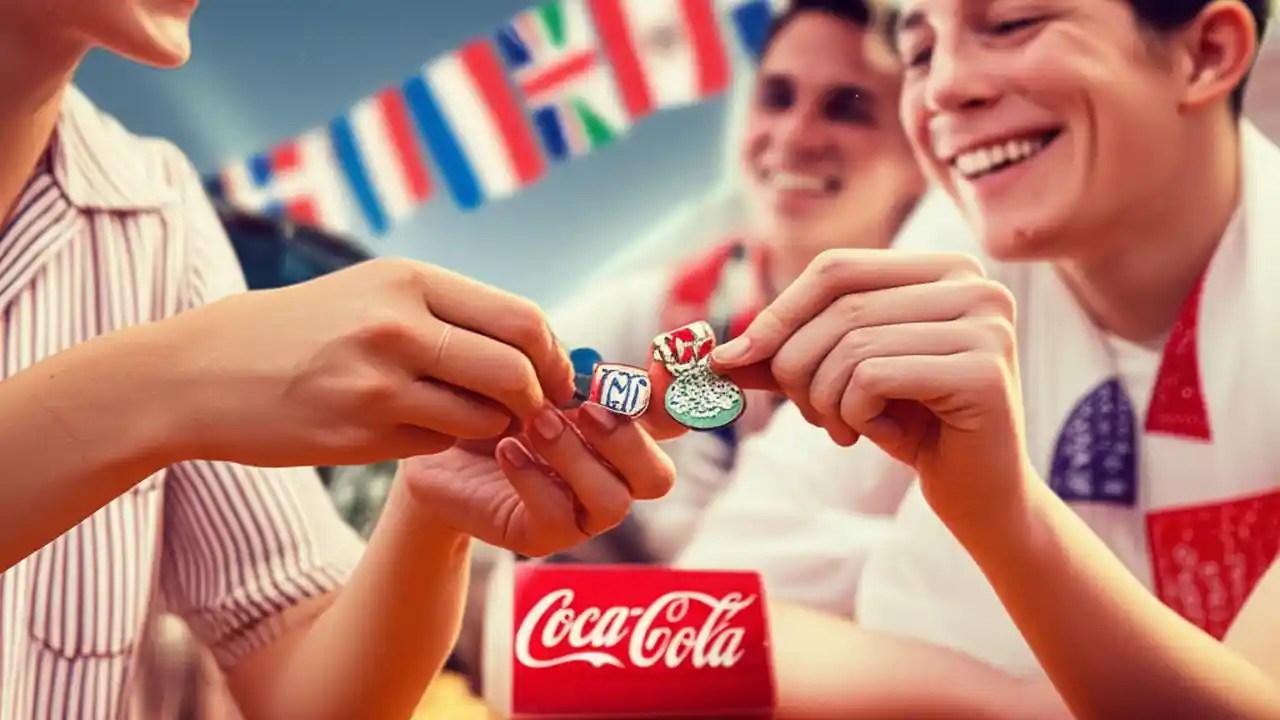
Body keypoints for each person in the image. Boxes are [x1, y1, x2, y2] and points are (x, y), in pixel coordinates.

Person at [0, 3, 672, 718]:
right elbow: (178, 381)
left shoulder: (158, 211)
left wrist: (426, 509)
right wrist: (169, 384)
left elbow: (301, 681)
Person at [684, 0, 1280, 716]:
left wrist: (1008, 524)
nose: (942, 90)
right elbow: (701, 613)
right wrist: (1008, 698)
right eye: (920, 52)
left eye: (1010, 24)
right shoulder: (961, 245)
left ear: (1207, 52)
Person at [547, 0, 925, 563]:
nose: (794, 135)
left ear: (923, 142)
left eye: (847, 108)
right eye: (776, 97)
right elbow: (519, 377)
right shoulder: (662, 308)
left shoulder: (944, 344)